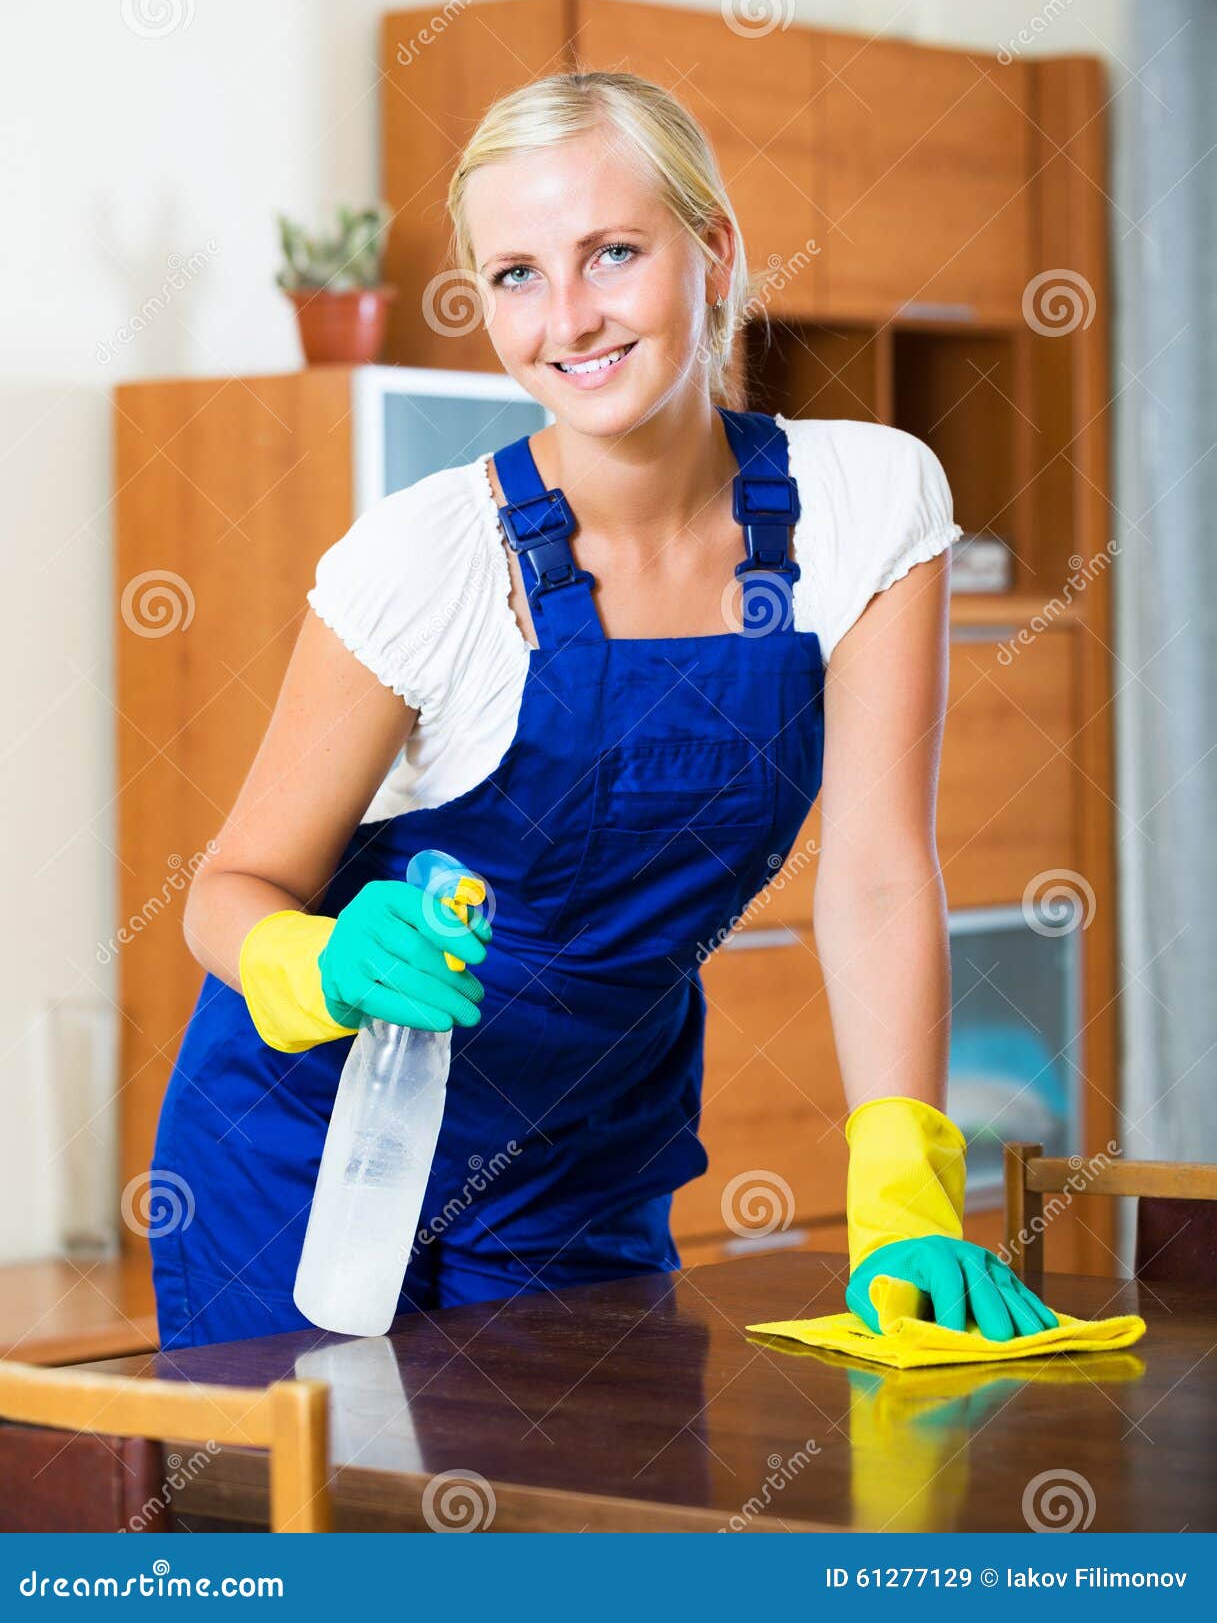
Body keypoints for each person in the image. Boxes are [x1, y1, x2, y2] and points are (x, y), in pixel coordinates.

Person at [149, 69, 1057, 1350]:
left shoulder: (865, 511)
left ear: (715, 251)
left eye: (611, 252)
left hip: (581, 1162)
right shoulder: (427, 564)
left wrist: (903, 1201)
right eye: (515, 273)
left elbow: (872, 877)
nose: (567, 317)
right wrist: (321, 962)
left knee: (584, 1526)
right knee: (322, 1536)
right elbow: (228, 887)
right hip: (302, 1153)